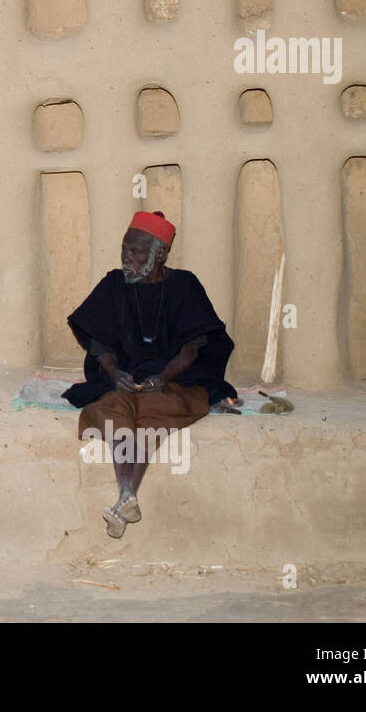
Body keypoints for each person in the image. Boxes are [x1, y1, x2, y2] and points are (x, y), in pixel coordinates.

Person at [63, 211, 236, 538]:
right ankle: (126, 495)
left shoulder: (185, 286)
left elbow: (193, 348)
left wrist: (164, 378)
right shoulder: (114, 284)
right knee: (112, 408)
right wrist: (114, 373)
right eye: (125, 249)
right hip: (124, 376)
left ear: (160, 254)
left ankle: (126, 495)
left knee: (154, 411)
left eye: (137, 251)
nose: (127, 257)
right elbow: (99, 343)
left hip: (173, 378)